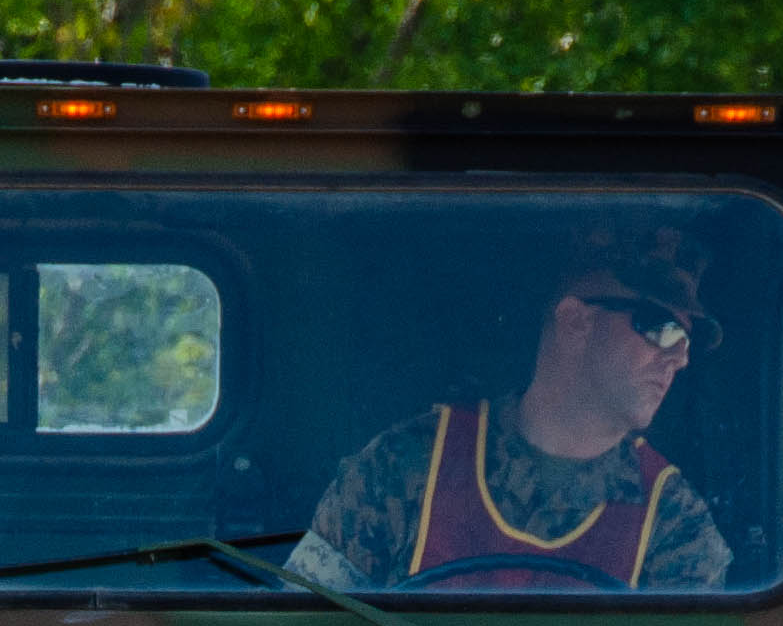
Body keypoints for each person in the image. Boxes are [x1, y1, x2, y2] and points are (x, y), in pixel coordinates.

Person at [289, 245, 732, 593]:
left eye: (688, 340)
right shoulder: (404, 467)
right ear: (575, 320)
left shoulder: (674, 518)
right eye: (661, 328)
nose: (679, 357)